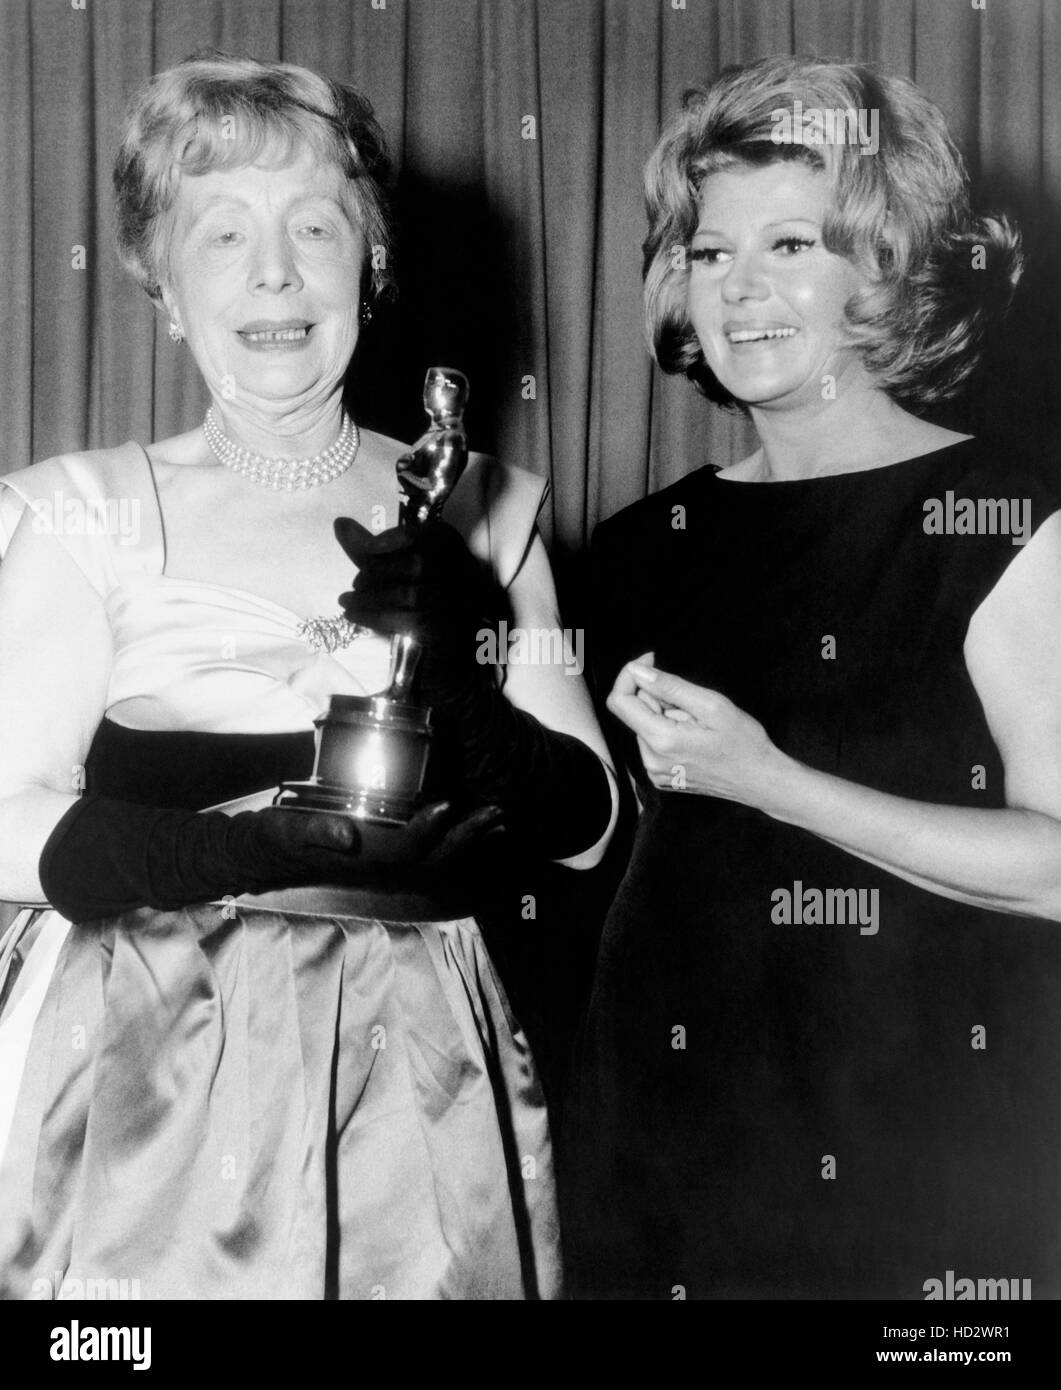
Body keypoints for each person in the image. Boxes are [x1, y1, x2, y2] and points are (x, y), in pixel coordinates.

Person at [0, 52, 617, 1301]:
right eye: (220, 232)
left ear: (370, 268)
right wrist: (242, 853)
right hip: (154, 1046)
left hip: (421, 1062)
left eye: (314, 226)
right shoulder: (80, 513)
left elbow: (589, 828)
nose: (273, 270)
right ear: (162, 288)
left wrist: (460, 682)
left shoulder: (491, 508)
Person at [568, 54, 1061, 1299]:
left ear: (884, 264)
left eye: (789, 244)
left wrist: (769, 781)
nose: (738, 291)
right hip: (656, 1131)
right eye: (708, 251)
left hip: (916, 1134)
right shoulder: (637, 546)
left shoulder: (998, 519)